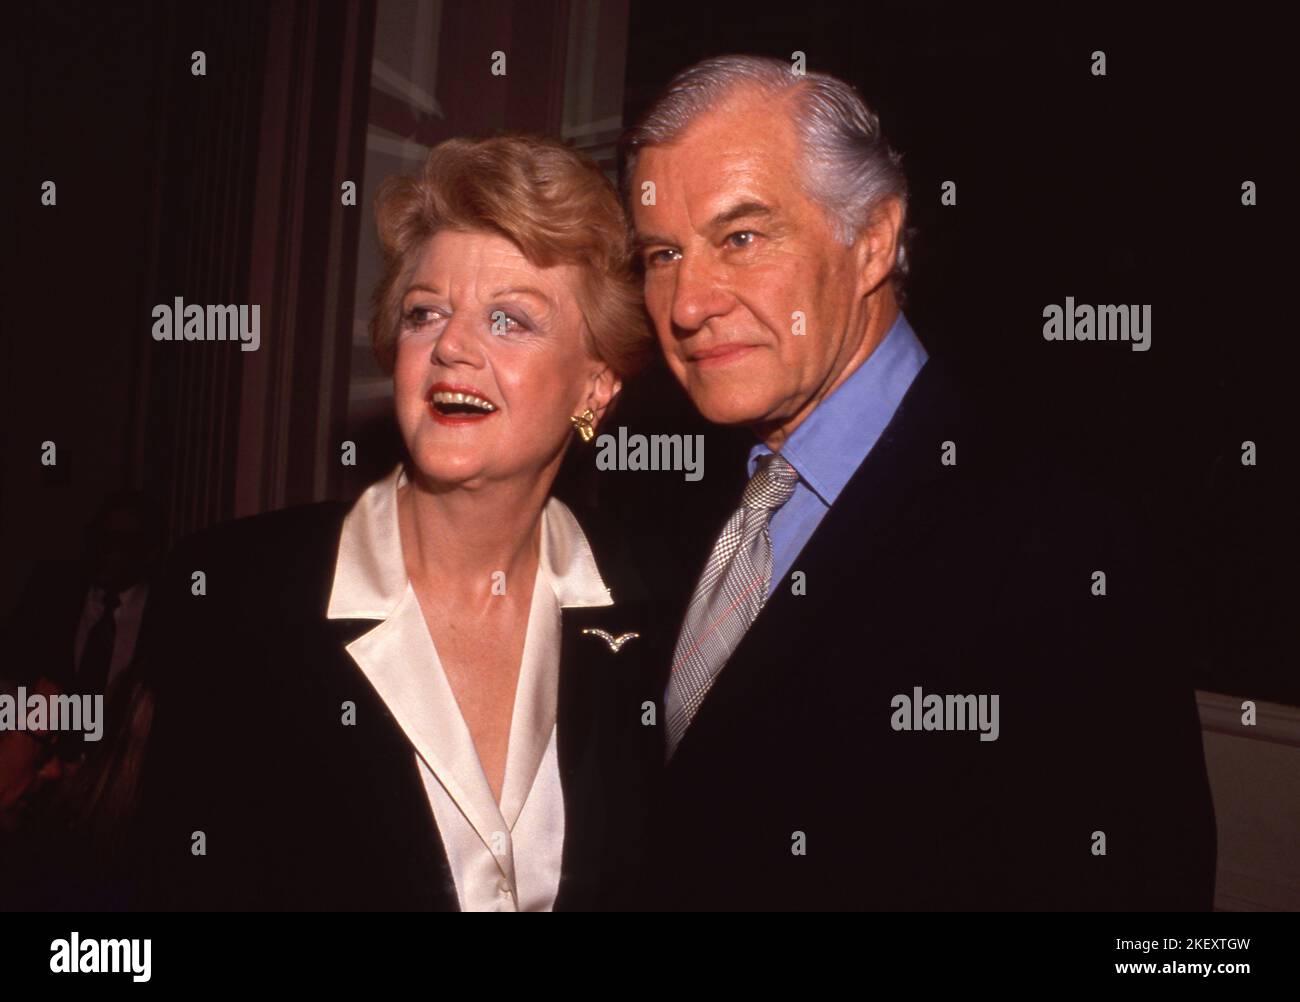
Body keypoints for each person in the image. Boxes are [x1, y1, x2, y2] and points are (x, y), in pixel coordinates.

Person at [619, 54, 1217, 910]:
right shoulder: (679, 493)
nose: (686, 302)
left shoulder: (1057, 538)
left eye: (741, 238)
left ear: (871, 242)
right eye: (662, 253)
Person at [136, 134, 659, 911]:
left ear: (596, 386)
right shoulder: (235, 596)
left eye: (510, 320)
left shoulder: (656, 606)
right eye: (425, 313)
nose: (451, 345)